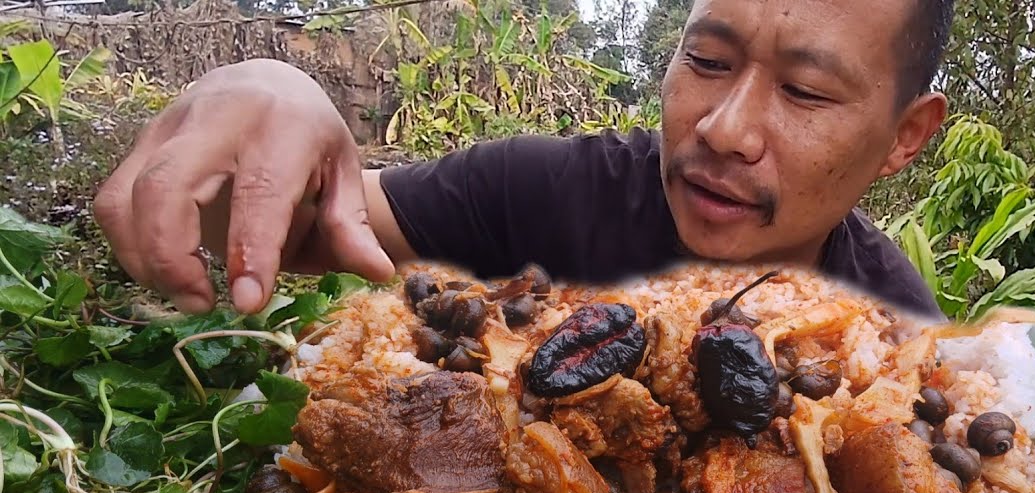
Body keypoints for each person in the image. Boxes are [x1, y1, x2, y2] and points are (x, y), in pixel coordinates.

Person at [93, 0, 954, 320]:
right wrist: (270, 101)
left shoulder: (898, 330)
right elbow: (307, 226)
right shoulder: (543, 190)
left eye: (805, 91)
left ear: (904, 135)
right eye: (708, 61)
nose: (725, 129)